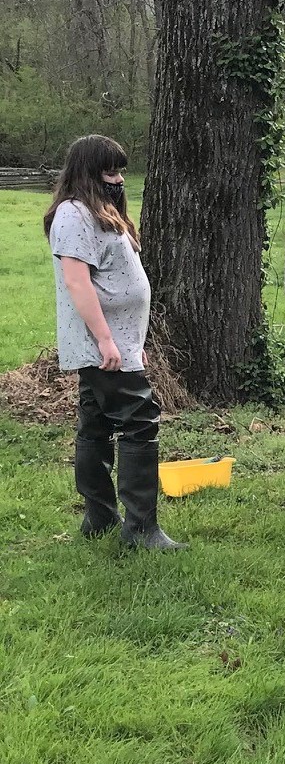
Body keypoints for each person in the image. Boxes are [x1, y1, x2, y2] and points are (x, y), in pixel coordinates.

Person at [44, 134, 184, 551]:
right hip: (100, 344)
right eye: (110, 171)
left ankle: (100, 517)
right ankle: (140, 530)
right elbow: (76, 280)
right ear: (87, 172)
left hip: (116, 342)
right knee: (140, 422)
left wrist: (130, 338)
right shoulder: (73, 214)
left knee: (97, 423)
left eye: (121, 170)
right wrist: (107, 340)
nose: (119, 179)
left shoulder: (97, 210)